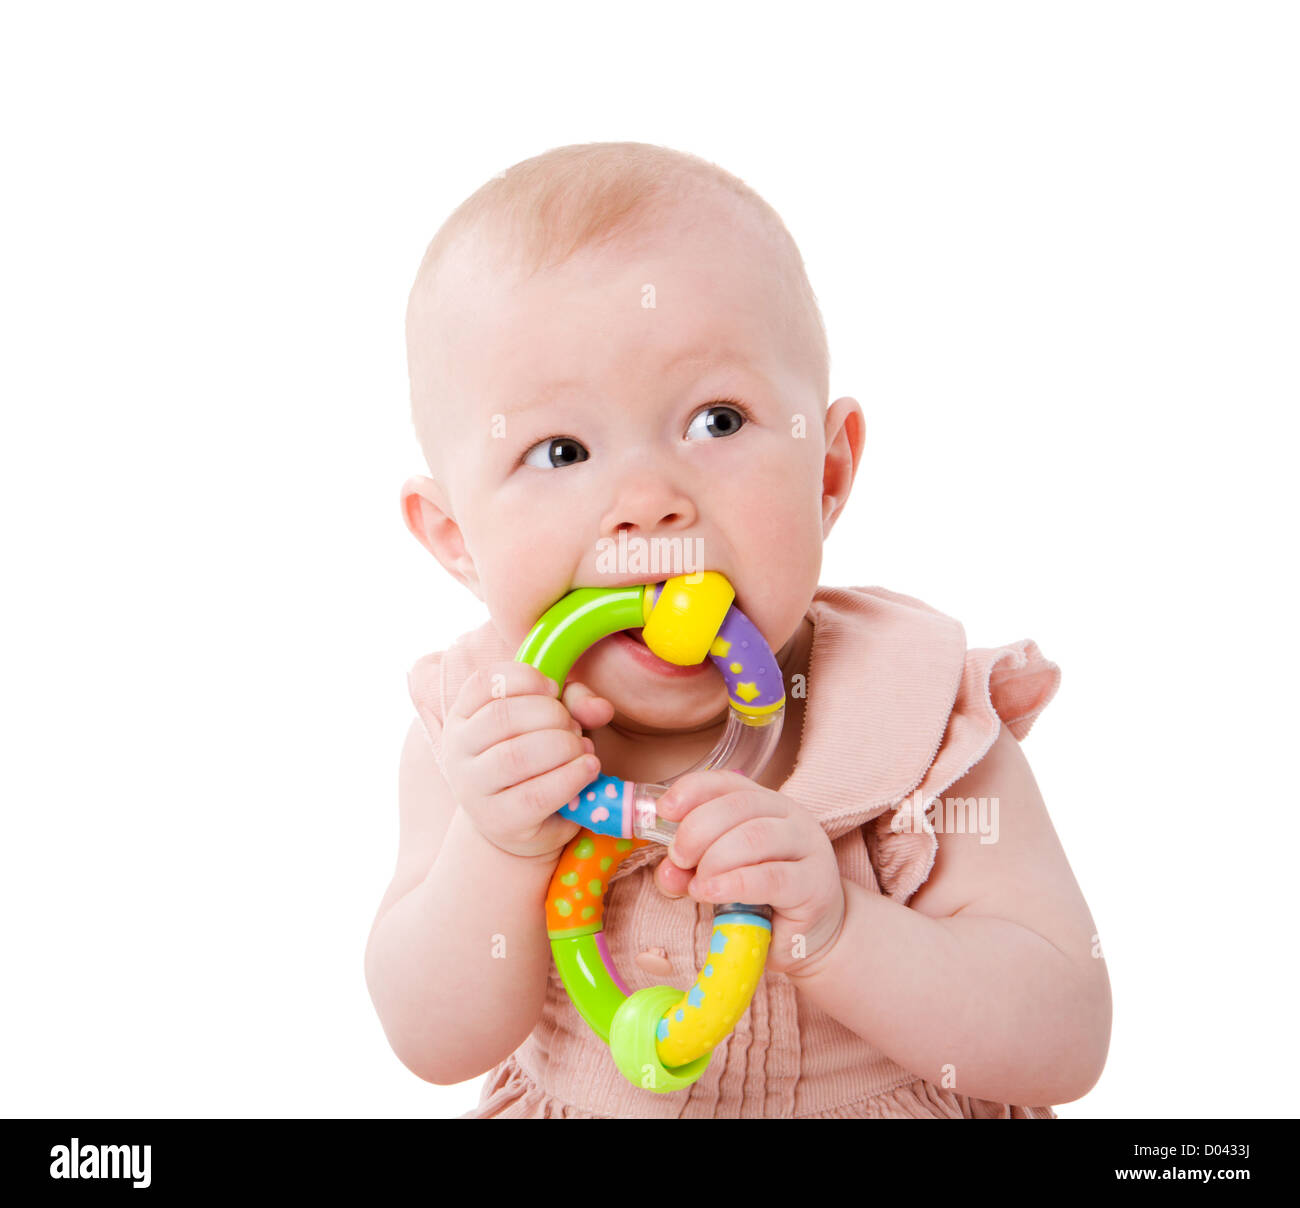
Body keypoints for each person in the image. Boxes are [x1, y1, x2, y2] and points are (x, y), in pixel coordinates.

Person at [364, 141, 1110, 1118]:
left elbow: (1064, 1038)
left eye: (716, 420)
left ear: (827, 473)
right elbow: (433, 1039)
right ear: (458, 538)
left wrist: (843, 933)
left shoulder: (920, 722)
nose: (646, 503)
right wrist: (497, 848)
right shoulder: (477, 738)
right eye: (560, 449)